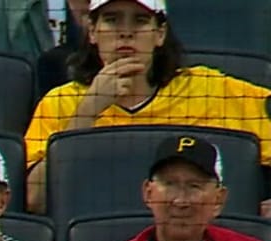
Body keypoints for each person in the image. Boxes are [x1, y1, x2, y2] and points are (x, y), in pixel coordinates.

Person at [24, 0, 271, 216]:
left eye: (140, 21)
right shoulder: (60, 102)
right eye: (112, 20)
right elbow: (35, 201)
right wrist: (89, 108)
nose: (126, 32)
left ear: (160, 34)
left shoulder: (211, 89)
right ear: (92, 32)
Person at [96, 135, 271, 241]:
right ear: (148, 193)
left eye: (194, 186)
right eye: (170, 184)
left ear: (219, 200)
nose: (180, 201)